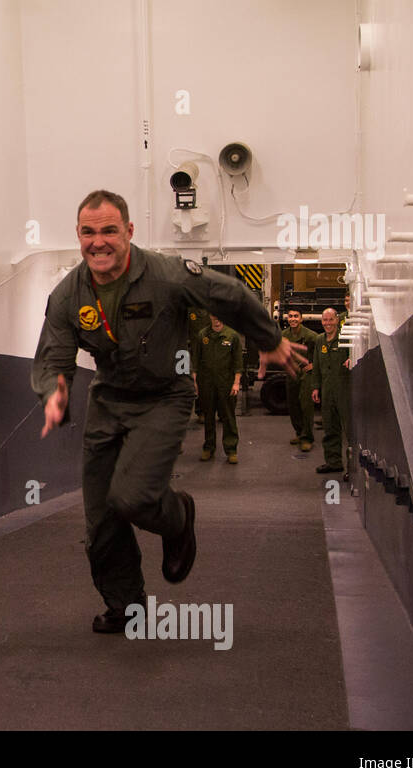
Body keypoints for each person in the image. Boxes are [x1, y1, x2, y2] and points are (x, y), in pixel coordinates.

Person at [32, 190, 306, 634]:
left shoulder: (166, 275)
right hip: (108, 399)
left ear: (129, 232)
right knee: (101, 518)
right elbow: (54, 358)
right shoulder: (68, 296)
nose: (98, 242)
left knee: (133, 496)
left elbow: (230, 295)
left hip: (164, 396)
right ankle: (126, 605)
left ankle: (178, 517)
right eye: (88, 232)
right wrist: (55, 391)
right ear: (78, 235)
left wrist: (268, 338)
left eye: (109, 231)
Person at [191, 315, 244, 463]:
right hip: (206, 383)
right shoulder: (202, 335)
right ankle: (208, 447)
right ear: (210, 316)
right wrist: (194, 380)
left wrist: (236, 382)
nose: (217, 319)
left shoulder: (232, 336)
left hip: (226, 383)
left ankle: (231, 449)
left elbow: (238, 361)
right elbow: (195, 359)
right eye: (214, 315)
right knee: (208, 416)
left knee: (228, 416)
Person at [312, 308, 351, 475]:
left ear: (337, 320)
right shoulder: (320, 340)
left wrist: (353, 357)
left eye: (330, 320)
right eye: (325, 320)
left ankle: (353, 467)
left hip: (344, 390)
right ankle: (333, 462)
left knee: (349, 429)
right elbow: (316, 367)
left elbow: (357, 355)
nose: (327, 323)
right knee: (330, 428)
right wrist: (315, 387)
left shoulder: (346, 338)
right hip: (327, 391)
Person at [281, 308, 320, 451]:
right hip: (291, 373)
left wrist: (314, 365)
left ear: (301, 319)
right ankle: (299, 432)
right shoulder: (284, 335)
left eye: (296, 316)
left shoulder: (310, 336)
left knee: (305, 405)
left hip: (306, 374)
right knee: (292, 405)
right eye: (290, 316)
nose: (293, 319)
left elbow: (321, 350)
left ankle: (307, 438)